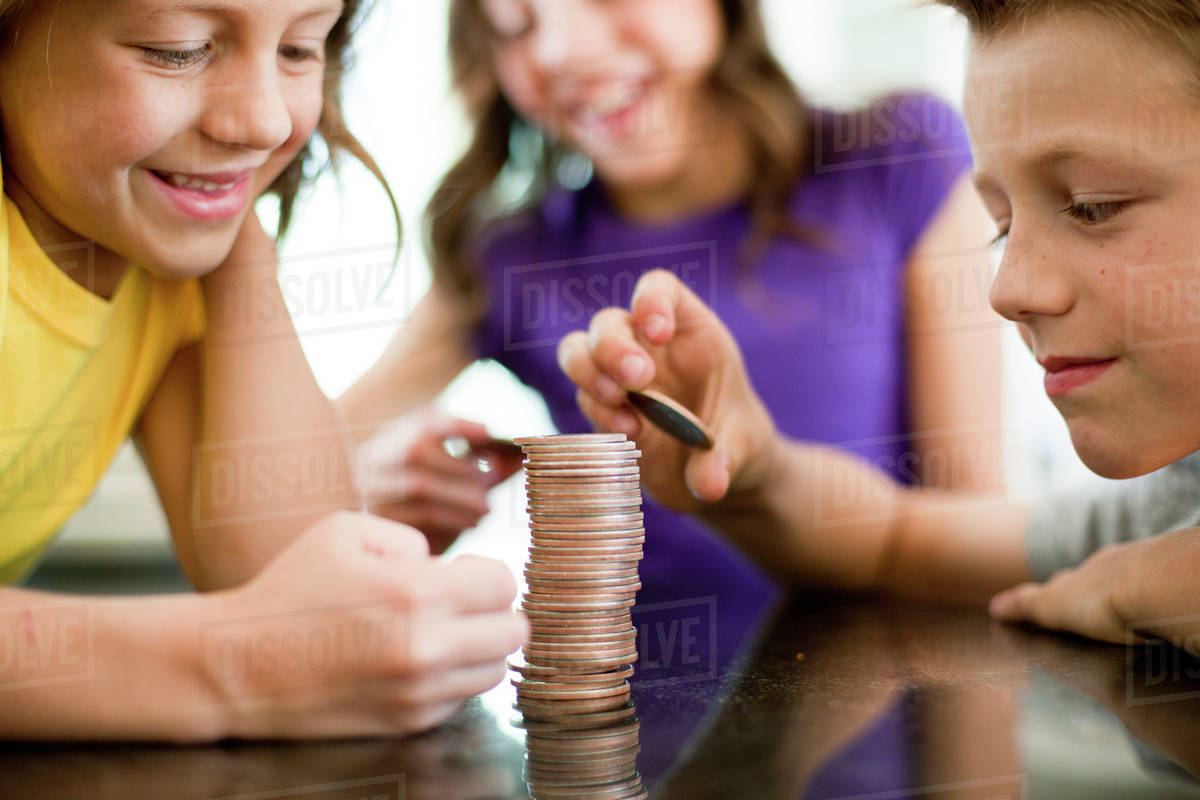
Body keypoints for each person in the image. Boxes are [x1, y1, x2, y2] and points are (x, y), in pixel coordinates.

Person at [339, 0, 1005, 662]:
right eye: (516, 24)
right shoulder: (510, 258)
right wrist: (371, 492)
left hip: (891, 704)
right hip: (619, 732)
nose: (559, 50)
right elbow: (303, 457)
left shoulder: (894, 159)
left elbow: (978, 532)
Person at [559, 0, 1200, 646]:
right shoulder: (1167, 509)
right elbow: (894, 541)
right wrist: (756, 475)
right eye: (1002, 228)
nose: (1008, 292)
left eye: (1093, 207)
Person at [0, 0, 526, 740]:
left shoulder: (153, 266)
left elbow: (294, 578)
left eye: (300, 49)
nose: (266, 122)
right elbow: (276, 642)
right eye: (177, 50)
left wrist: (234, 230)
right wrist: (225, 669)